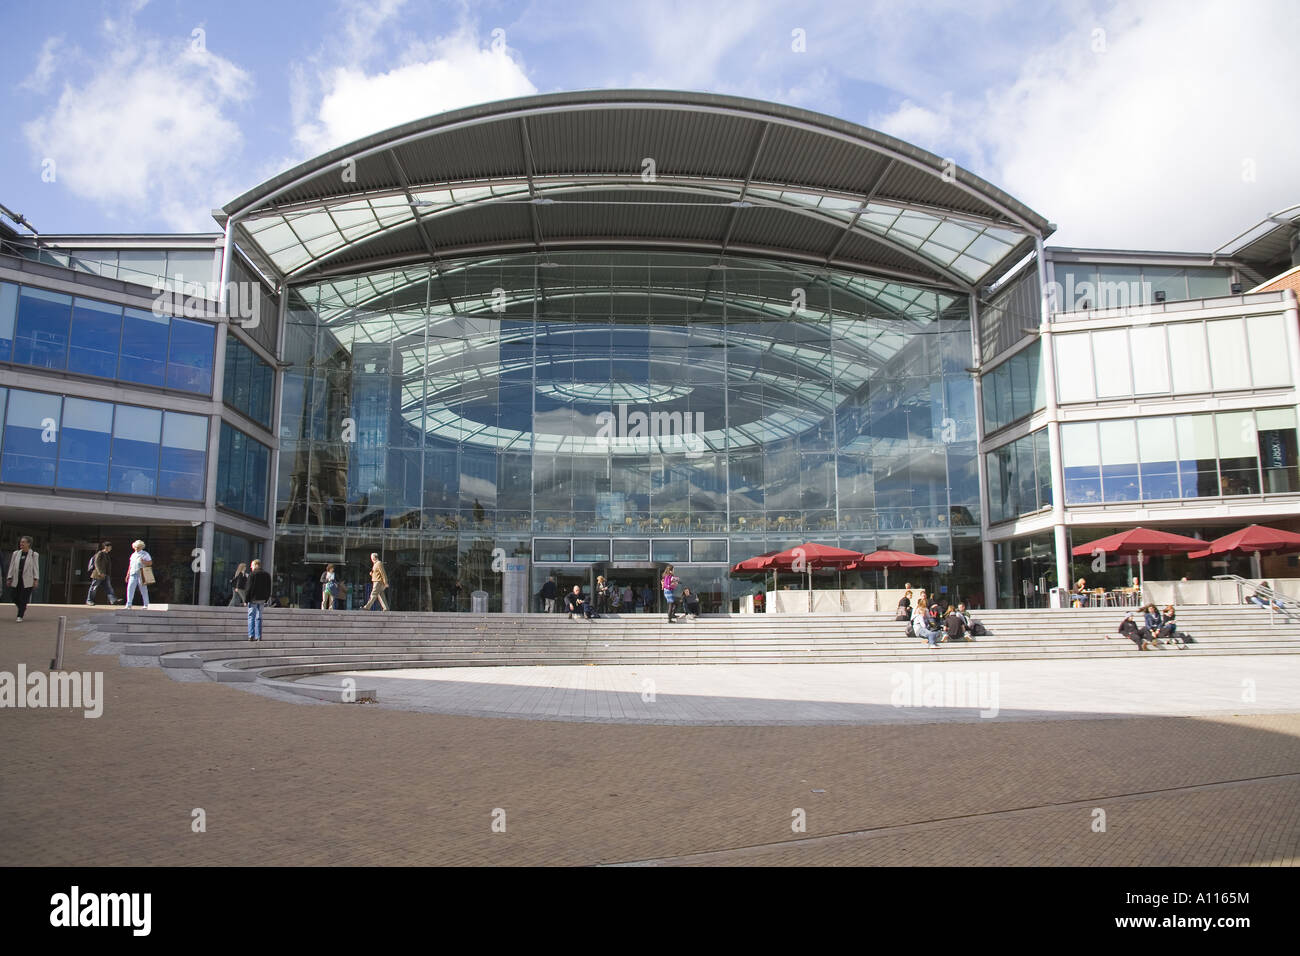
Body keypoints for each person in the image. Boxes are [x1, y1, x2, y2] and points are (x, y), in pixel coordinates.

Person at [6, 536, 39, 622]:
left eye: (23, 542)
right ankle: (22, 607)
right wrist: (9, 577)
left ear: (29, 544)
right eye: (21, 542)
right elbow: (12, 566)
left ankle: (20, 616)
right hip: (17, 579)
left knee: (23, 598)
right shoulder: (16, 553)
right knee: (13, 597)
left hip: (27, 580)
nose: (21, 544)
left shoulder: (34, 555)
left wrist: (36, 579)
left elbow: (36, 567)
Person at [246, 558, 273, 641]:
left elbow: (248, 588)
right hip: (262, 599)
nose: (251, 567)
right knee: (259, 617)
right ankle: (258, 636)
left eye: (252, 565)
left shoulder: (252, 574)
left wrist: (246, 599)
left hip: (253, 599)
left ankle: (251, 635)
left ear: (255, 565)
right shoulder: (267, 575)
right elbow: (269, 588)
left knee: (251, 616)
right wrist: (266, 598)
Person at [86, 541, 116, 606]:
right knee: (94, 587)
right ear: (105, 547)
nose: (110, 548)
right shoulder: (100, 553)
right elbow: (96, 563)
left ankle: (113, 600)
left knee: (109, 587)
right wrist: (100, 572)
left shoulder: (107, 555)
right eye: (109, 547)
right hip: (98, 574)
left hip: (105, 574)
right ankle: (89, 600)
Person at [125, 539, 152, 609]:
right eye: (136, 547)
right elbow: (130, 565)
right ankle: (129, 604)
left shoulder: (145, 554)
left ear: (141, 547)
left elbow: (150, 563)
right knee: (130, 588)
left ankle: (146, 604)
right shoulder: (133, 555)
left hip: (141, 573)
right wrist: (128, 574)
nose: (136, 548)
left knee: (143, 589)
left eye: (138, 547)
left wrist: (143, 562)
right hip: (133, 573)